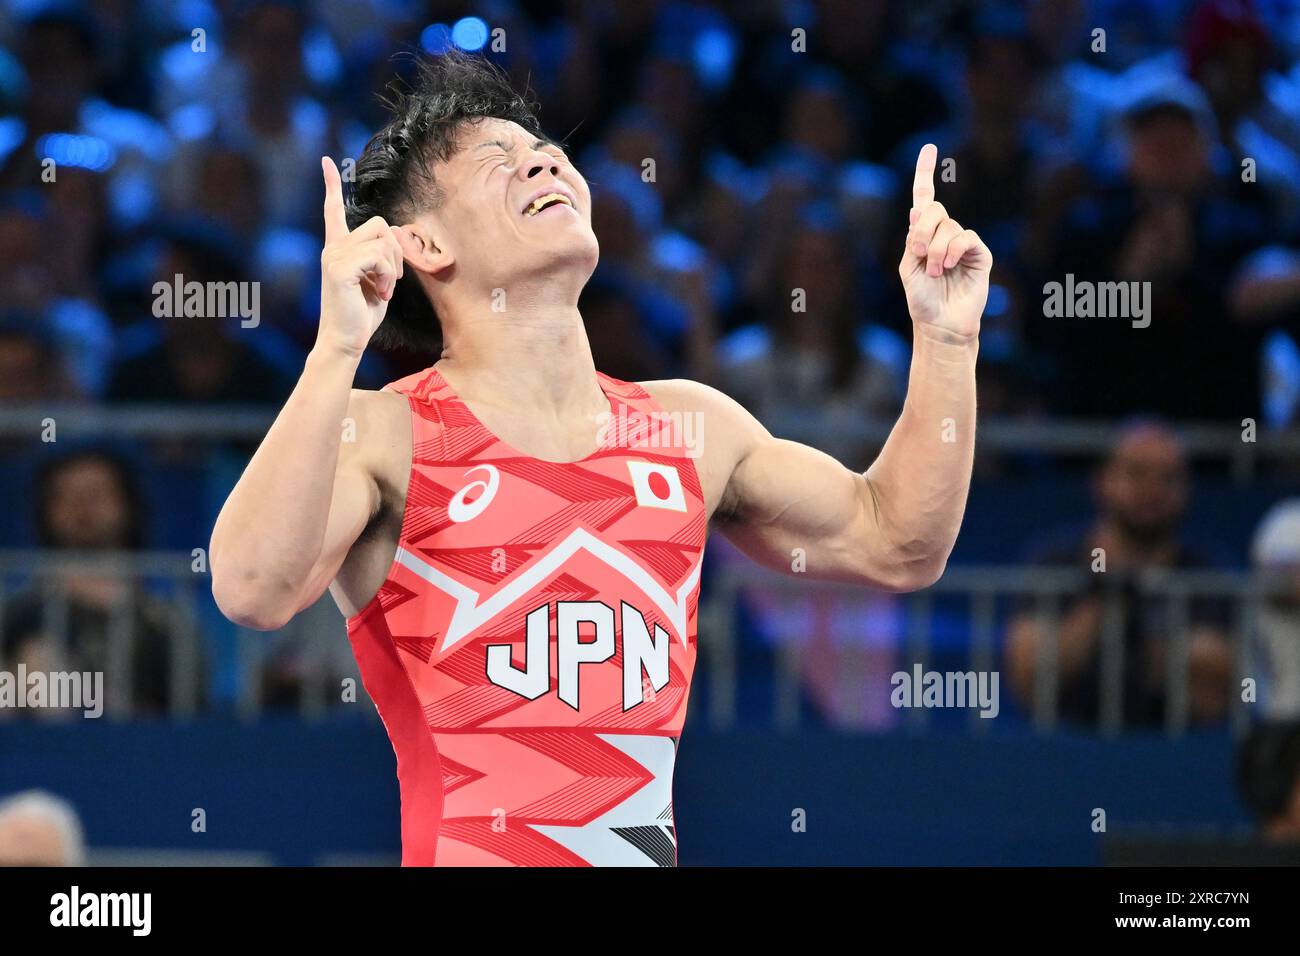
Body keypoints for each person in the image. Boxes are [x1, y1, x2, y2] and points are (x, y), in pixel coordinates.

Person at [209, 52, 990, 867]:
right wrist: (338, 345)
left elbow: (900, 541)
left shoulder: (692, 427)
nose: (545, 158)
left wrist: (945, 338)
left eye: (544, 147)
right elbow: (252, 589)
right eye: (496, 159)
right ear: (424, 243)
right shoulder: (384, 436)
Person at [1005, 420, 1233, 728]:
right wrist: (1102, 605)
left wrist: (1142, 626)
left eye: (1169, 478)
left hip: (1175, 751)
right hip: (1066, 747)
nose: (1153, 489)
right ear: (1102, 481)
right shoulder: (1052, 561)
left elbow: (1216, 687)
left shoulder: (1206, 572)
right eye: (1137, 473)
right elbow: (1026, 675)